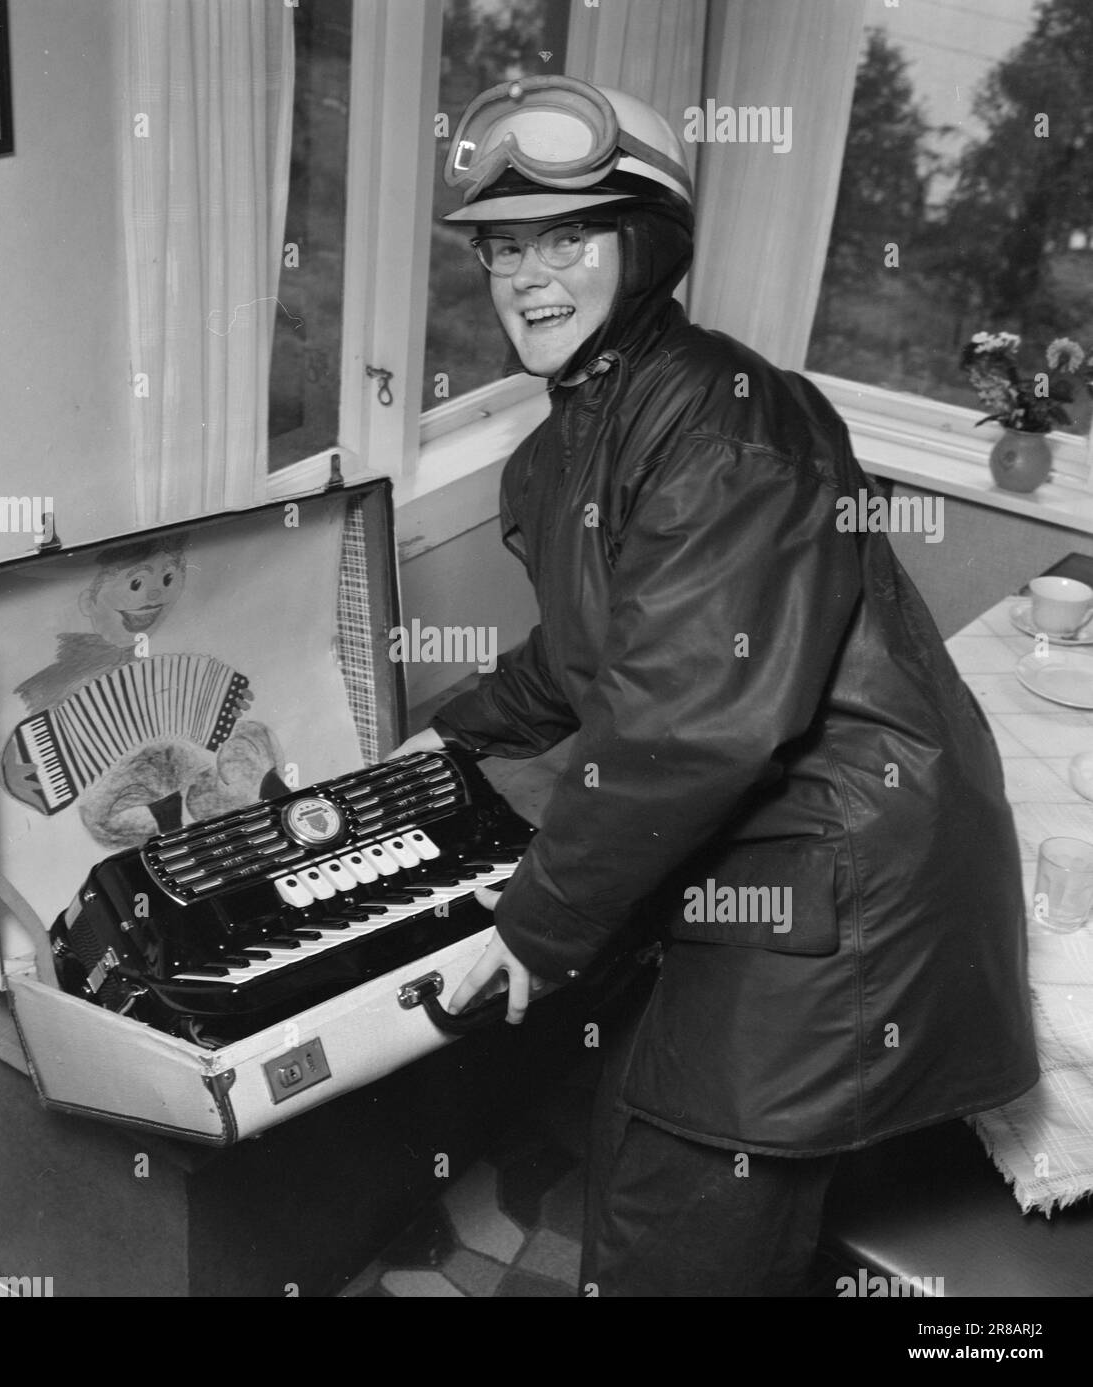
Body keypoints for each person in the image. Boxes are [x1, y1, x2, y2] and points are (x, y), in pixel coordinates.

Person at [392, 76, 1038, 1296]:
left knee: (679, 1213)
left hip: (838, 875)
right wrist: (445, 742)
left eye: (567, 236)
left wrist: (535, 923)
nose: (526, 276)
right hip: (769, 849)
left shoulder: (729, 427)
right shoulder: (580, 428)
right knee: (642, 1126)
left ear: (643, 245)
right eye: (502, 247)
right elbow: (593, 654)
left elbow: (684, 719)